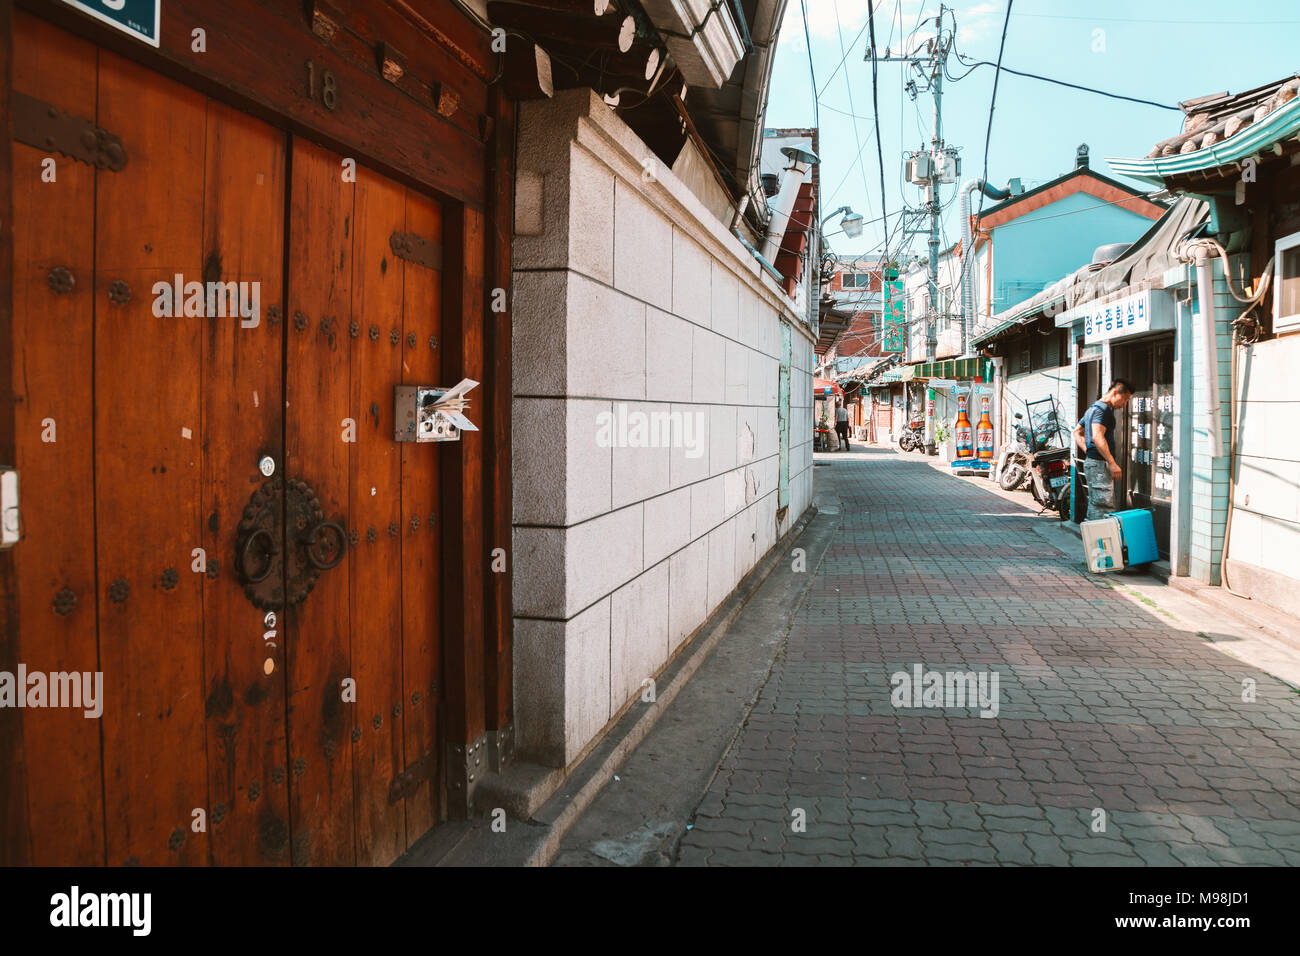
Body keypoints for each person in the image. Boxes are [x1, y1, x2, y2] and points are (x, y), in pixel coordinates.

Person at [1072, 379, 1133, 520]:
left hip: (1094, 462)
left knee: (1097, 505)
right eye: (1125, 399)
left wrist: (1089, 451)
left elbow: (1077, 432)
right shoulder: (1103, 410)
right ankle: (1098, 541)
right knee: (1103, 507)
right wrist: (1111, 462)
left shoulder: (1093, 408)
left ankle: (1093, 540)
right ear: (1115, 392)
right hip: (1099, 464)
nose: (1124, 404)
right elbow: (1098, 436)